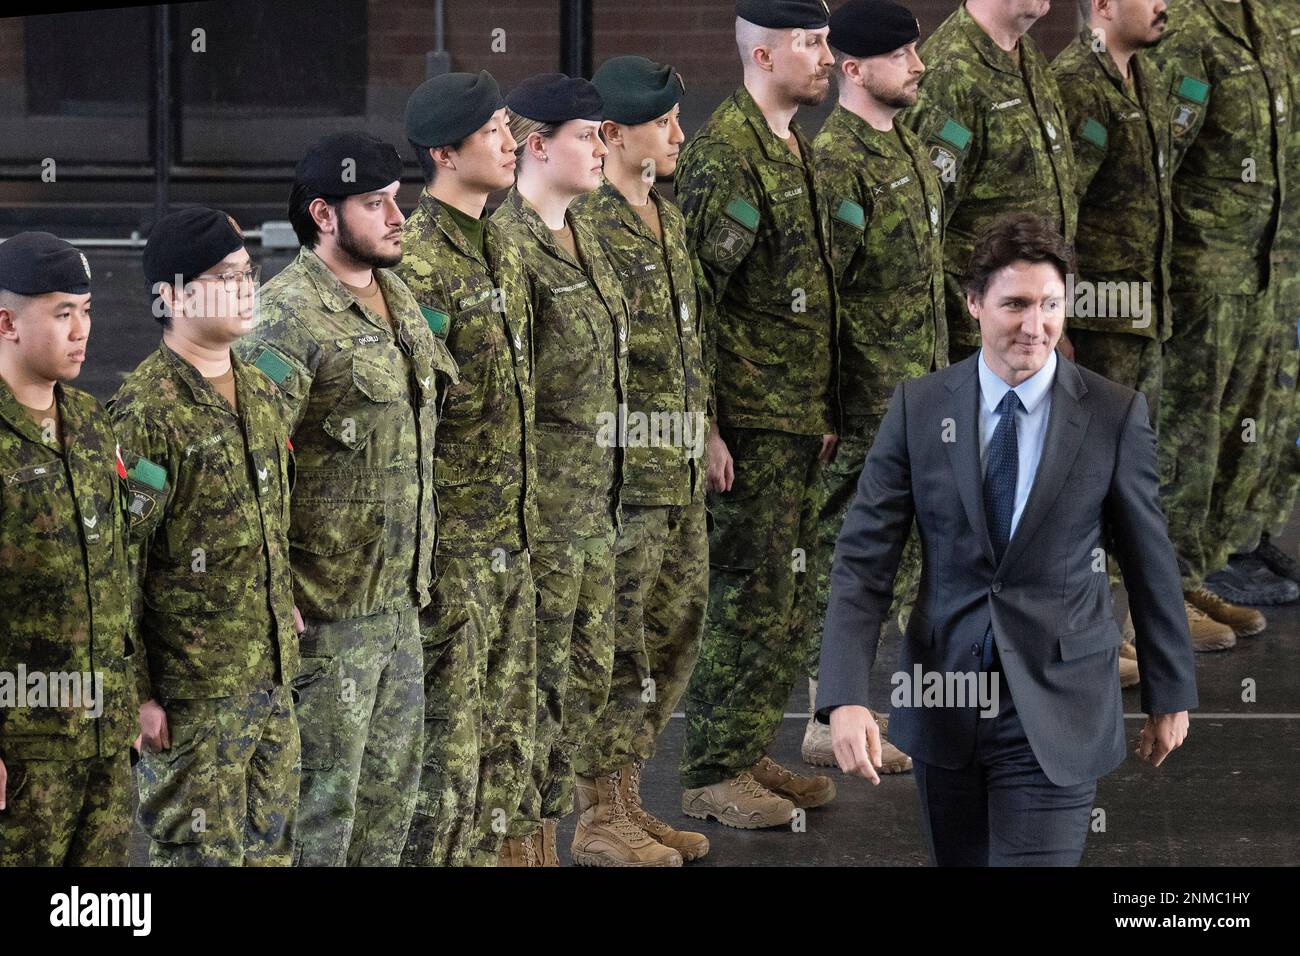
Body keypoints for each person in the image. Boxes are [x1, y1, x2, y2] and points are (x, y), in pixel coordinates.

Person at [818, 212, 1198, 866]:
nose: (1035, 325)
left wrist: (1170, 688)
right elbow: (863, 563)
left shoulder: (1113, 415)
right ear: (973, 305)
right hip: (945, 704)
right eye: (1015, 304)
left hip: (1059, 704)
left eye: (1051, 304)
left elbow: (1149, 559)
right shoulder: (918, 408)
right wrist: (846, 696)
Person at [233, 132, 459, 866]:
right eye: (376, 204)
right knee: (319, 814)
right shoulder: (285, 317)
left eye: (399, 199)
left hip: (399, 603)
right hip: (325, 617)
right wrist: (270, 589)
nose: (399, 216)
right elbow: (249, 463)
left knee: (389, 804)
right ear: (324, 215)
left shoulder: (397, 296)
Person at [492, 73, 668, 866]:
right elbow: (507, 402)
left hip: (597, 506)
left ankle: (577, 826)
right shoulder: (510, 248)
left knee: (584, 681)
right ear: (538, 146)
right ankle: (520, 846)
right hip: (541, 518)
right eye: (587, 137)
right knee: (530, 690)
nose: (603, 149)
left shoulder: (584, 233)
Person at [673, 0, 840, 832]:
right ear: (763, 57)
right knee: (744, 594)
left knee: (781, 593)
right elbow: (694, 303)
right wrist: (702, 424)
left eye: (824, 40)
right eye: (808, 44)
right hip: (747, 422)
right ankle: (709, 770)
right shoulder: (726, 158)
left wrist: (820, 408)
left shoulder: (790, 147)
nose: (826, 56)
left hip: (793, 417)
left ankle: (745, 746)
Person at [110, 207, 301, 865]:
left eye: (248, 273)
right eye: (227, 277)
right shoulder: (144, 414)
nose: (247, 287)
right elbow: (117, 564)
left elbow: (267, 520)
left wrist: (283, 603)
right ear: (176, 294)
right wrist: (137, 695)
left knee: (272, 852)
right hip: (192, 703)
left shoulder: (259, 385)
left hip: (270, 685)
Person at [396, 71, 541, 867]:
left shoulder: (504, 242)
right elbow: (416, 422)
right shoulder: (418, 265)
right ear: (445, 154)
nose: (511, 143)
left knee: (503, 748)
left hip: (509, 543)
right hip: (451, 554)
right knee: (445, 764)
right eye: (492, 132)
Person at [1053, 1, 1225, 667]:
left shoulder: (1145, 77)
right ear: (1102, 6)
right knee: (1080, 483)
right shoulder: (1078, 87)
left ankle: (1114, 629)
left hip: (1140, 317)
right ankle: (1079, 638)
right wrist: (1058, 315)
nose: (1164, 5)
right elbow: (1060, 209)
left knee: (1125, 479)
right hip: (1097, 321)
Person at [571, 53, 711, 862]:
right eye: (662, 122)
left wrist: (712, 431)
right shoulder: (585, 226)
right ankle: (599, 816)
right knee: (616, 647)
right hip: (620, 482)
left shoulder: (672, 218)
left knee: (673, 634)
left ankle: (629, 794)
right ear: (614, 134)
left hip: (682, 470)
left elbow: (696, 342)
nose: (677, 134)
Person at [802, 0, 948, 775]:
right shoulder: (836, 164)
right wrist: (830, 404)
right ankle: (833, 711)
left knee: (909, 561)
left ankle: (867, 708)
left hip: (918, 394)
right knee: (849, 555)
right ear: (853, 70)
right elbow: (824, 296)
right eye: (901, 55)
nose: (918, 65)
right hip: (864, 406)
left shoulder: (909, 149)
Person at [1147, 0, 1291, 626]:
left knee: (1256, 416)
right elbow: (1157, 161)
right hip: (1202, 268)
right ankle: (1177, 579)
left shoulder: (1261, 18)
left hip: (1265, 260)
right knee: (1192, 432)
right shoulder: (1183, 28)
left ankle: (1228, 547)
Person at [0, 232, 136, 867]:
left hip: (105, 742)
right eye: (62, 313)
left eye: (86, 310)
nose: (82, 330)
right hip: (24, 753)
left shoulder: (90, 423)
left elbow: (112, 574)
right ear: (7, 321)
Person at [902, 0, 1077, 365]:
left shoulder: (1025, 53)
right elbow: (923, 227)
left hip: (1033, 325)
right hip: (976, 336)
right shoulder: (951, 71)